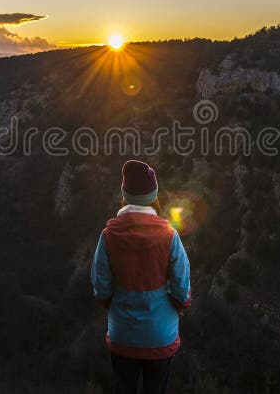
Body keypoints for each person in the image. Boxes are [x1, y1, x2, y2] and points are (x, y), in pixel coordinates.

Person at [91, 160, 191, 394]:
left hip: (123, 333)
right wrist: (178, 305)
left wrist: (117, 306)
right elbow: (182, 288)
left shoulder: (108, 236)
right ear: (153, 196)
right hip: (160, 335)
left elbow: (101, 288)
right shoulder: (169, 236)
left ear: (125, 195)